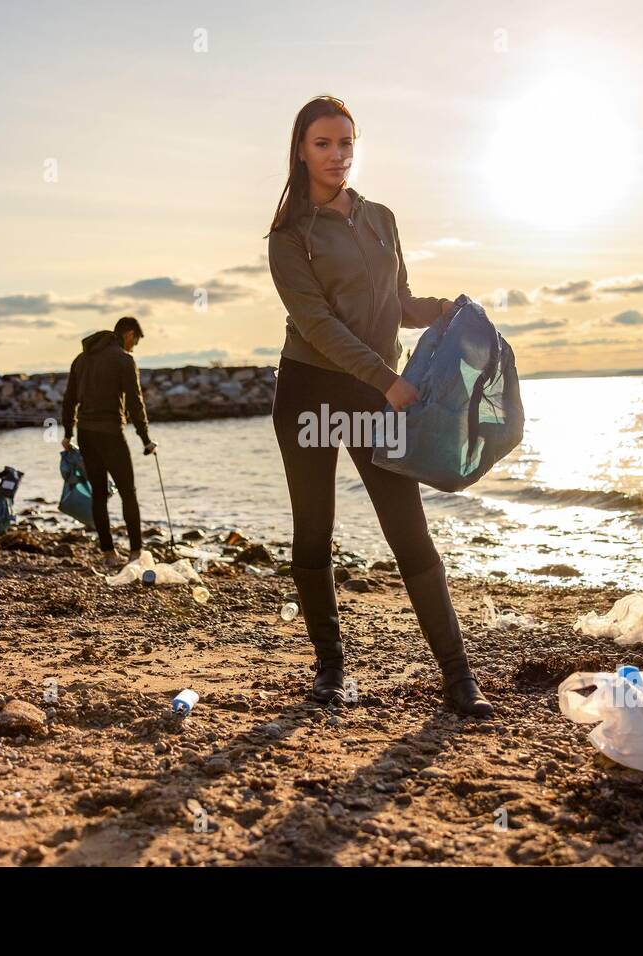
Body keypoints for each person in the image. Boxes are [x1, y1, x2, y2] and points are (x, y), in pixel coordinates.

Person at [266, 95, 492, 717]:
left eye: (346, 143)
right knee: (315, 529)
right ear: (301, 150)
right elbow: (316, 324)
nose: (337, 156)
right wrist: (387, 380)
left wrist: (441, 311)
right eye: (323, 144)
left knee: (407, 528)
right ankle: (331, 669)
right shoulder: (289, 237)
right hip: (313, 390)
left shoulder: (381, 219)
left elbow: (398, 300)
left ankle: (458, 678)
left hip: (376, 387)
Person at [61, 315, 157, 568]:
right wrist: (146, 439)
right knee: (128, 492)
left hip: (85, 433)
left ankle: (109, 553)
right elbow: (135, 403)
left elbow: (69, 398)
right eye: (134, 341)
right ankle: (136, 552)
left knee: (99, 494)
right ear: (129, 335)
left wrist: (68, 432)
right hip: (111, 433)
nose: (133, 347)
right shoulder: (124, 360)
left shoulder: (81, 360)